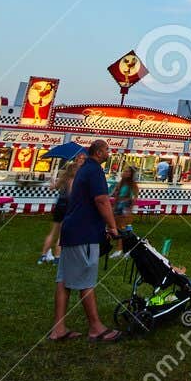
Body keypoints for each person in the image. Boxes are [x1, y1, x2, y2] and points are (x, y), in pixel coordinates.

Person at [47, 140, 121, 342]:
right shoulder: (95, 171)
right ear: (98, 152)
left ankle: (58, 328)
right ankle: (96, 327)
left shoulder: (82, 170)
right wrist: (113, 227)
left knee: (64, 281)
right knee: (86, 279)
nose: (109, 152)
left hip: (72, 229)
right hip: (84, 232)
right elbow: (101, 200)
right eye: (107, 149)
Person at [38, 160, 80, 265]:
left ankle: (43, 256)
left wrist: (52, 181)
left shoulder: (63, 179)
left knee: (52, 232)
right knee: (62, 235)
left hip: (59, 205)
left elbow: (53, 187)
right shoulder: (74, 180)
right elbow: (71, 194)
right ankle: (57, 258)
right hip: (67, 206)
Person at [111, 166, 139, 236]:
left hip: (125, 206)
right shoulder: (121, 183)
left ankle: (122, 244)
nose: (125, 173)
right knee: (114, 225)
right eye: (125, 171)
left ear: (131, 174)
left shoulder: (133, 185)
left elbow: (134, 198)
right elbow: (114, 194)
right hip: (118, 205)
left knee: (122, 227)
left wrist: (129, 209)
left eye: (127, 172)